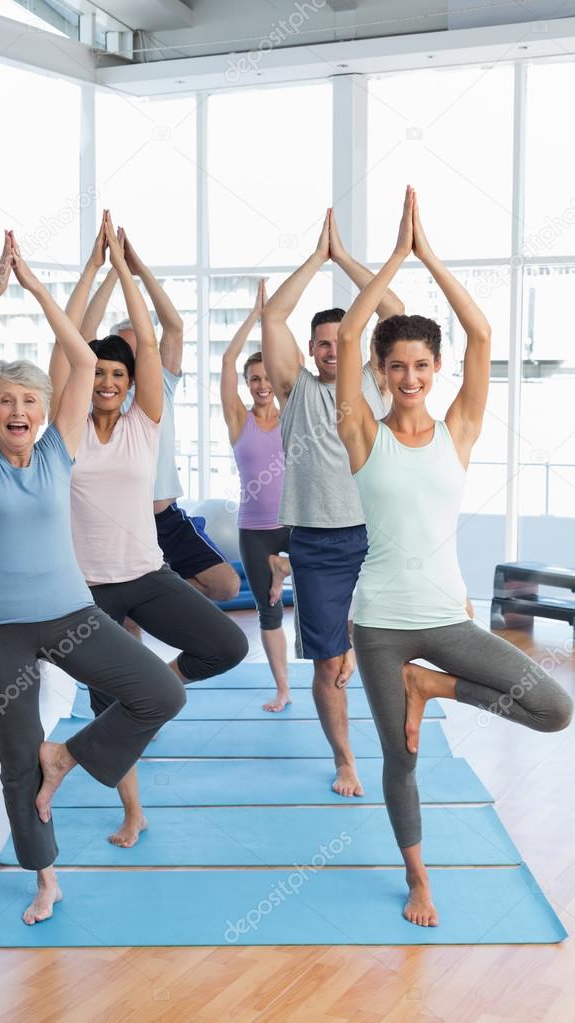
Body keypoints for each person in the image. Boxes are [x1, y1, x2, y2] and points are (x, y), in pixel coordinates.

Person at [0, 229, 186, 925]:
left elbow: (80, 356)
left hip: (69, 613)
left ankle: (67, 755)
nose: (20, 412)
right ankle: (45, 876)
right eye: (7, 401)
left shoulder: (58, 451)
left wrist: (38, 289)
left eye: (30, 402)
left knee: (160, 691)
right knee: (16, 759)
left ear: (45, 412)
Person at [336, 185, 573, 927]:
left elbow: (480, 333)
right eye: (396, 365)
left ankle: (431, 687)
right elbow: (345, 338)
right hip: (379, 623)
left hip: (445, 618)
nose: (410, 377)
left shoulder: (458, 428)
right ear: (381, 369)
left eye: (421, 365)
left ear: (435, 369)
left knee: (553, 706)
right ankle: (418, 877)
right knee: (399, 761)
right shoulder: (362, 433)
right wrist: (389, 262)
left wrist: (427, 254)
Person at [49, 213, 248, 847]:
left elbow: (160, 343)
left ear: (135, 384)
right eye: (99, 373)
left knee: (226, 646)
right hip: (87, 592)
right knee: (112, 704)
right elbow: (68, 345)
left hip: (147, 575)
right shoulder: (67, 430)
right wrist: (96, 268)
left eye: (119, 375)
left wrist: (131, 270)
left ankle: (141, 701)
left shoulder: (145, 423)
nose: (107, 381)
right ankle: (132, 812)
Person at [261, 209, 404, 797]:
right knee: (327, 665)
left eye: (337, 342)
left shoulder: (373, 381)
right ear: (311, 350)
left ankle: (398, 739)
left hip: (378, 537)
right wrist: (317, 258)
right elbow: (272, 315)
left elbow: (394, 315)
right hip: (317, 542)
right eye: (319, 343)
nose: (328, 351)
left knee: (383, 655)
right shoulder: (294, 390)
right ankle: (345, 760)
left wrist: (346, 259)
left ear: (353, 348)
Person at [80, 232, 240, 606]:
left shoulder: (160, 389)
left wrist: (133, 270)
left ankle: (151, 604)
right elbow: (82, 337)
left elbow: (174, 328)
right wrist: (109, 273)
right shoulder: (98, 393)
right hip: (116, 522)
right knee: (121, 615)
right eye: (128, 352)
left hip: (163, 516)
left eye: (143, 351)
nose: (141, 359)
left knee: (226, 585)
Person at [221, 279, 292, 712]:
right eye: (254, 379)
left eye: (267, 377)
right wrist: (255, 315)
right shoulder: (238, 419)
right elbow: (227, 360)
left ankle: (283, 568)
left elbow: (293, 364)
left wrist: (273, 323)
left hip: (296, 522)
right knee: (270, 615)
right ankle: (283, 689)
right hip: (255, 530)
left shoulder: (292, 415)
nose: (261, 385)